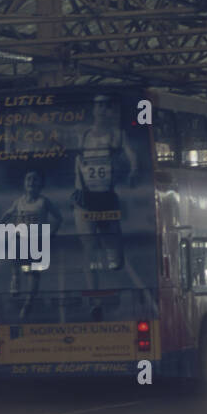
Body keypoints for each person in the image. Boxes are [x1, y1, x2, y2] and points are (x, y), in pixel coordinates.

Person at [71, 95, 137, 290]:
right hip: (84, 197)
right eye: (98, 105)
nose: (101, 109)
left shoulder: (118, 135)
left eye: (105, 105)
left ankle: (117, 282)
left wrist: (134, 170)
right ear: (93, 109)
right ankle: (94, 296)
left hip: (106, 197)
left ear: (110, 111)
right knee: (89, 248)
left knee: (114, 249)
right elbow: (51, 132)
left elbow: (131, 153)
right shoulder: (81, 134)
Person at [0, 169, 62, 319]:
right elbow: (7, 214)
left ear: (41, 184)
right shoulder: (19, 201)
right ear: (24, 183)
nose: (31, 182)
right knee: (15, 258)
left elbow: (59, 218)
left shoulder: (44, 202)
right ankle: (15, 279)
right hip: (21, 239)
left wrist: (51, 233)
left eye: (35, 179)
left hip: (37, 241)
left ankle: (28, 303)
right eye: (29, 179)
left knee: (32, 273)